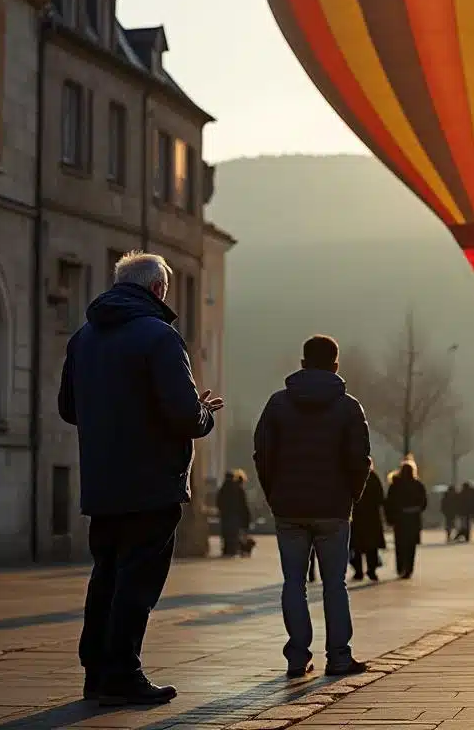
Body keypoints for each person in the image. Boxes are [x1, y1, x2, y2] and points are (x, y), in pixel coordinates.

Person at [59, 251, 221, 707]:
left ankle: (96, 674)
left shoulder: (83, 338)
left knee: (106, 577)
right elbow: (184, 415)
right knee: (138, 582)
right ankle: (124, 674)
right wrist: (204, 412)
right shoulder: (160, 336)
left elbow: (68, 408)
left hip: (102, 482)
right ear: (156, 289)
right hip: (152, 482)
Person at [253, 335, 371, 679]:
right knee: (335, 584)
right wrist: (351, 496)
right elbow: (360, 459)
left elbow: (262, 454)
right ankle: (339, 657)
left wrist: (274, 494)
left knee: (294, 583)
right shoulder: (349, 407)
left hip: (288, 507)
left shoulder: (277, 404)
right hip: (333, 508)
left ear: (303, 363)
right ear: (336, 365)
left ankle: (297, 656)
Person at [385, 462, 427, 578]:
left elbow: (389, 503)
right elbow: (423, 502)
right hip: (413, 518)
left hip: (400, 519)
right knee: (411, 546)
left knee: (400, 545)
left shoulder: (395, 485)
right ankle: (408, 569)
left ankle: (400, 568)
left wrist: (390, 517)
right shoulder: (418, 485)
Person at [351, 459, 386, 581]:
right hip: (372, 518)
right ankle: (372, 570)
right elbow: (381, 498)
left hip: (357, 517)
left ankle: (358, 571)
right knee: (372, 547)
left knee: (357, 547)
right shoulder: (373, 478)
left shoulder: (354, 478)